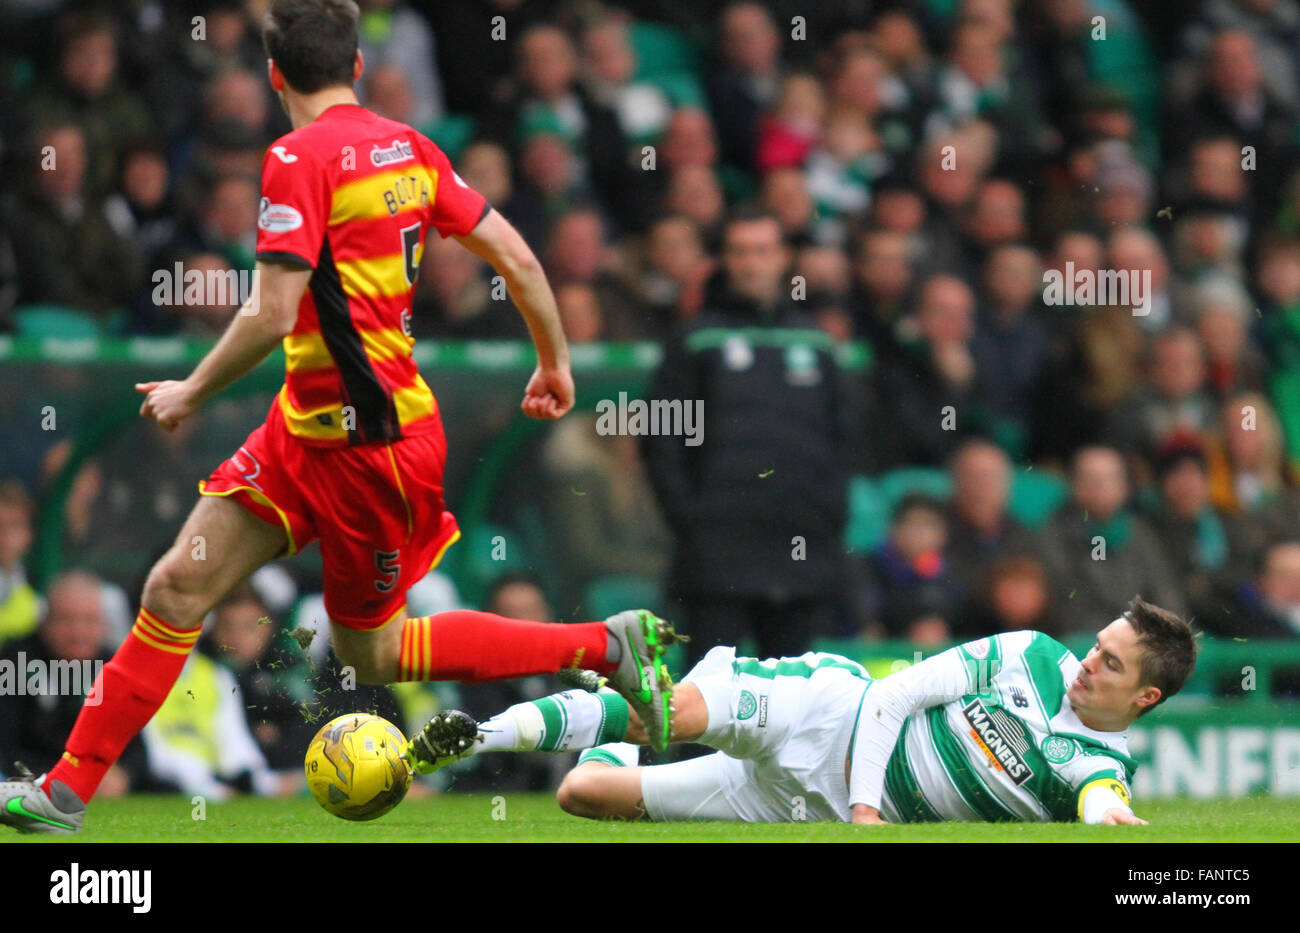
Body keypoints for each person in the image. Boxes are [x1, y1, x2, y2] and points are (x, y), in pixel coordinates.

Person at [0, 0, 678, 836]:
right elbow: (518, 255)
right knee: (177, 585)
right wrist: (555, 359)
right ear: (357, 68)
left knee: (376, 653)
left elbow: (274, 310)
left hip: (372, 452)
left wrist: (191, 391)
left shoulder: (294, 157)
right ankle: (64, 791)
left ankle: (604, 646)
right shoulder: (413, 147)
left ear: (275, 74)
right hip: (302, 430)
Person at [415, 598, 1196, 826]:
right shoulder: (1028, 653)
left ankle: (610, 700)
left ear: (1145, 699)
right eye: (1098, 644)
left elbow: (1101, 800)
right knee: (666, 719)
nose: (1089, 661)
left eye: (1112, 663)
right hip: (824, 711)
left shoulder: (1098, 768)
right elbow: (895, 694)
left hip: (799, 804)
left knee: (581, 797)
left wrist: (1108, 821)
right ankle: (466, 738)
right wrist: (864, 811)